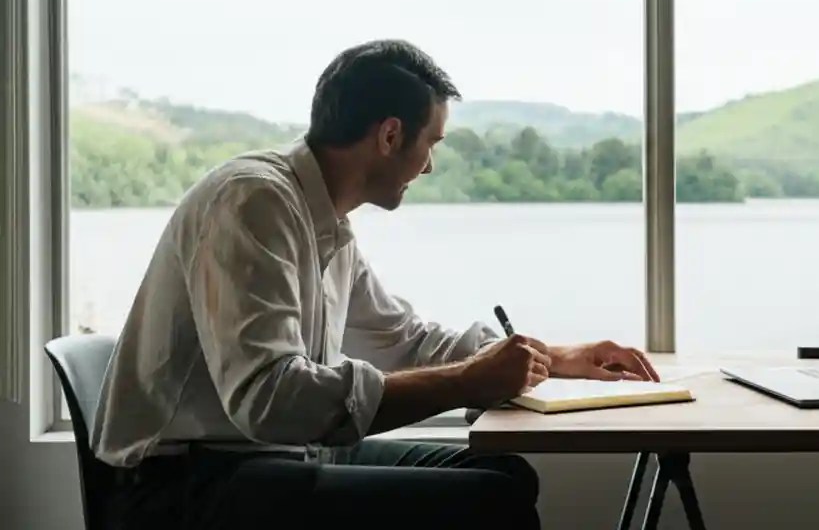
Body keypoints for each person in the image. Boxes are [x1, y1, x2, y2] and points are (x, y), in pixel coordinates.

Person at [91, 39, 659, 530]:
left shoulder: (323, 222)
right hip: (181, 488)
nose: (430, 165)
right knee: (491, 498)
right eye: (430, 143)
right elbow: (268, 399)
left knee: (502, 474)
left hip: (268, 461)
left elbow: (401, 339)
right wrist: (464, 382)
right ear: (390, 135)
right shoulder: (253, 202)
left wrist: (554, 357)